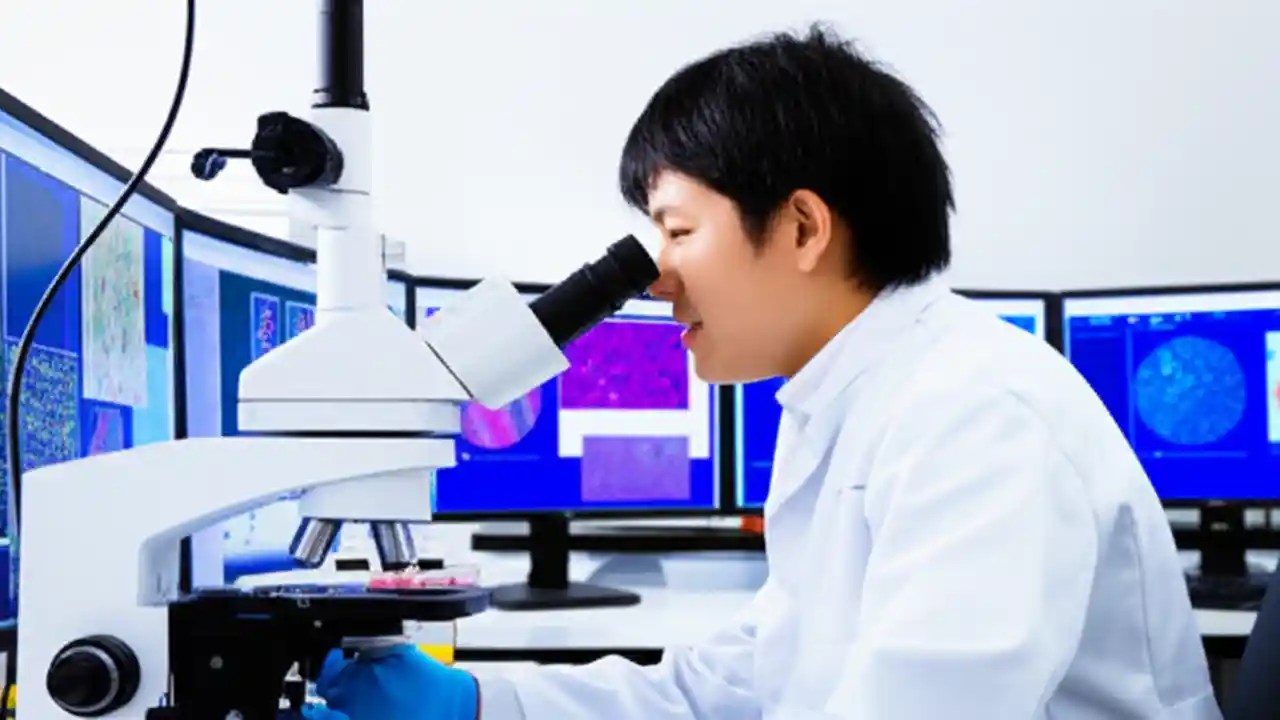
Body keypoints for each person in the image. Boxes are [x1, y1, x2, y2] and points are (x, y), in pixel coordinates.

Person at [313, 24, 1222, 720]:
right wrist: (486, 702)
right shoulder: (846, 400)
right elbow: (747, 681)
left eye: (675, 230)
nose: (656, 276)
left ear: (801, 228)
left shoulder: (981, 420)